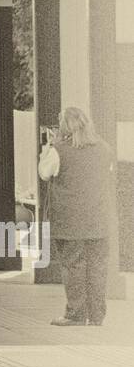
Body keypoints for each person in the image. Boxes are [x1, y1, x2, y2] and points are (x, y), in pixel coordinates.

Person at [38, 105, 115, 327]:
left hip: (70, 219)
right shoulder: (104, 148)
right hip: (99, 217)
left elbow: (45, 173)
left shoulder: (58, 150)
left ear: (64, 127)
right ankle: (97, 315)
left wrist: (47, 148)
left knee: (74, 265)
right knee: (98, 266)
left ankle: (75, 313)